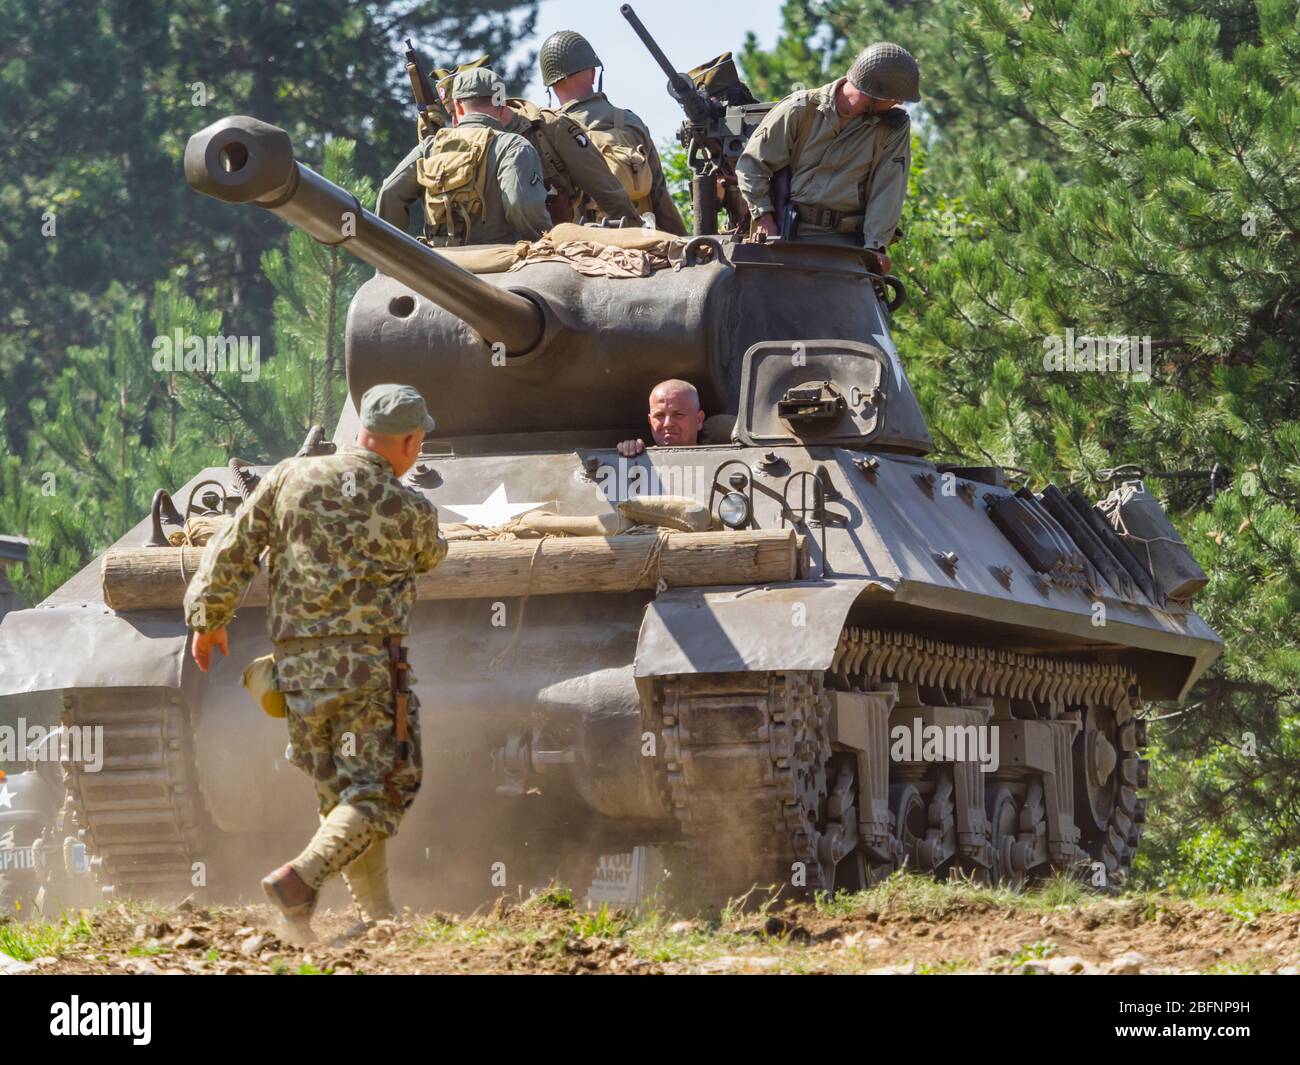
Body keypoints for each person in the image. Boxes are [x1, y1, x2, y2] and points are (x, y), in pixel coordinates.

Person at [183, 384, 447, 942]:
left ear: (360, 432)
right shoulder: (409, 508)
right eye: (418, 443)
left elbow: (234, 544)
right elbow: (432, 554)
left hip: (297, 670)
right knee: (384, 790)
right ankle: (297, 880)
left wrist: (208, 618)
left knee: (341, 797)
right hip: (367, 670)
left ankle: (375, 919)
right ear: (409, 442)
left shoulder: (288, 476)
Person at [735, 42, 919, 273]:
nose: (899, 103)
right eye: (894, 97)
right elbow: (752, 165)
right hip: (786, 232)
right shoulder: (801, 108)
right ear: (870, 92)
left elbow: (888, 189)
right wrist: (764, 218)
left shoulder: (892, 128)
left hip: (845, 243)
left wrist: (875, 246)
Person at [375, 67, 550, 246]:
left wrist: (391, 256)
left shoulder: (430, 146)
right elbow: (521, 205)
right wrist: (545, 239)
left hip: (438, 263)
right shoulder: (514, 146)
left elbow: (390, 192)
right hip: (499, 261)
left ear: (457, 105)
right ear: (501, 107)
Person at [540, 30, 688, 236]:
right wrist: (682, 242)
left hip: (581, 250)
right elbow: (659, 194)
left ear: (552, 85)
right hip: (641, 241)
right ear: (593, 73)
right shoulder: (630, 121)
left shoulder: (548, 132)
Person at [617, 379, 706, 457]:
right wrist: (633, 459)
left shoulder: (717, 462)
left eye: (678, 414)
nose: (667, 424)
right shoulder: (643, 464)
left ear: (698, 420)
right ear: (650, 421)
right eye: (659, 416)